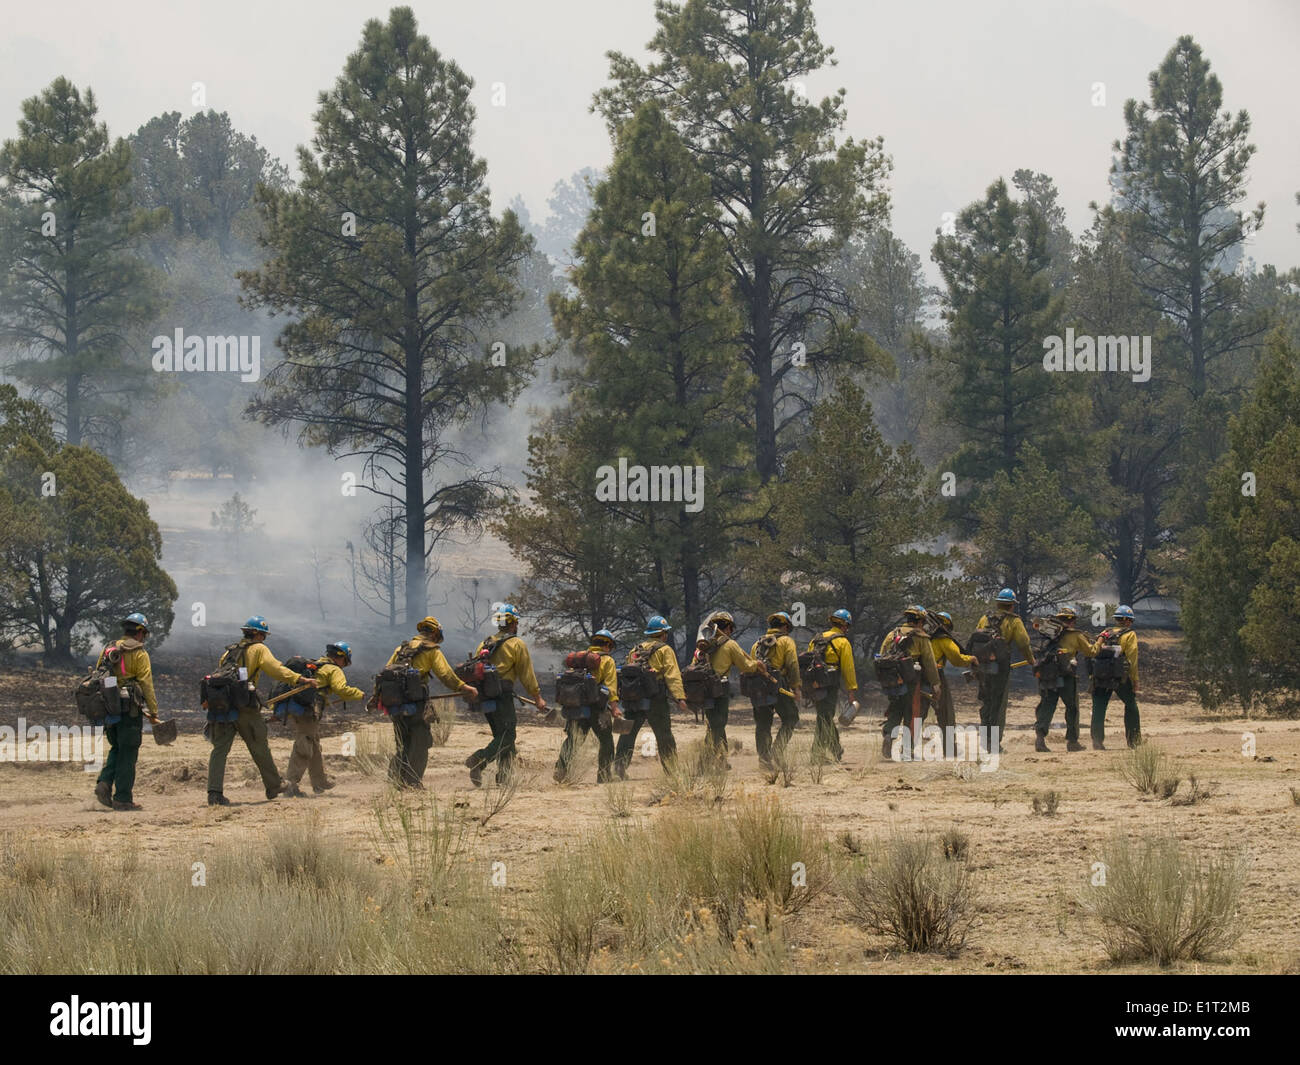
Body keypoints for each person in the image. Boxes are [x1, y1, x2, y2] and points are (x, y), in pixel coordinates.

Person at [205, 616, 313, 806]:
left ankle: (214, 794)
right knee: (259, 746)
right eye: (263, 635)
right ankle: (274, 786)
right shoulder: (259, 649)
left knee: (220, 749)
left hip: (223, 707)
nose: (264, 639)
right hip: (245, 706)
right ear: (259, 634)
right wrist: (300, 679)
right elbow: (276, 670)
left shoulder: (229, 652)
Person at [371, 617, 477, 788]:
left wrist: (376, 697)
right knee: (421, 741)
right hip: (416, 705)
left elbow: (384, 674)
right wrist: (464, 688)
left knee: (403, 743)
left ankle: (395, 780)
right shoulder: (432, 650)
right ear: (435, 633)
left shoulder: (401, 649)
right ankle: (412, 783)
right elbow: (446, 675)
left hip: (394, 705)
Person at [463, 603, 546, 786]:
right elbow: (526, 674)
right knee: (508, 736)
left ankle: (504, 779)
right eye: (516, 622)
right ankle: (479, 759)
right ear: (513, 623)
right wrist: (537, 697)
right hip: (502, 697)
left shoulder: (485, 643)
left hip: (485, 697)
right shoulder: (516, 644)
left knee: (503, 738)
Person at [93, 613, 161, 811]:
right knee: (128, 752)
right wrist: (154, 710)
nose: (144, 638)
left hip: (109, 708)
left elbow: (98, 673)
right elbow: (146, 683)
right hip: (130, 711)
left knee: (117, 747)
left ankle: (104, 783)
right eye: (144, 634)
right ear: (140, 632)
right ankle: (122, 798)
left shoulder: (109, 649)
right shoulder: (140, 653)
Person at [280, 641, 365, 796]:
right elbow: (342, 690)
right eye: (345, 662)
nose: (344, 665)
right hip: (309, 710)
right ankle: (291, 785)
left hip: (300, 708)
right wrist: (359, 694)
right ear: (342, 658)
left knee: (314, 745)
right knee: (304, 744)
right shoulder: (333, 669)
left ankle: (320, 782)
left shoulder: (318, 665)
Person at [687, 610, 764, 766]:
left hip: (704, 690)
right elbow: (746, 666)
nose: (731, 632)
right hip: (720, 689)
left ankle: (721, 760)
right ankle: (704, 763)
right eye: (731, 628)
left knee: (714, 724)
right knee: (718, 725)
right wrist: (757, 664)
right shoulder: (730, 645)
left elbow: (694, 666)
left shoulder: (702, 647)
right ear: (727, 627)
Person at [613, 615, 684, 778]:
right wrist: (680, 697)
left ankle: (619, 769)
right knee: (664, 735)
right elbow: (672, 675)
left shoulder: (635, 650)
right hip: (655, 699)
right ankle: (672, 771)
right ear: (664, 634)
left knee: (627, 733)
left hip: (633, 698)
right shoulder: (665, 650)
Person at [553, 629, 622, 783]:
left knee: (573, 740)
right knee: (606, 741)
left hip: (576, 706)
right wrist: (615, 707)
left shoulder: (579, 659)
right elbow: (611, 686)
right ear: (607, 645)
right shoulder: (607, 660)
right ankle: (604, 775)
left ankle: (561, 769)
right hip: (597, 708)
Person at [973, 589, 1035, 753]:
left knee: (986, 702)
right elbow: (1023, 642)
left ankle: (984, 740)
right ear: (1012, 606)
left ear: (998, 603)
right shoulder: (1014, 621)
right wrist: (1030, 659)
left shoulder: (984, 618)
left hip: (983, 668)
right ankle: (994, 744)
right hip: (1001, 668)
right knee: (998, 706)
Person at [877, 606, 940, 759]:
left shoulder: (892, 634)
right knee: (912, 712)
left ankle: (888, 734)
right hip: (912, 680)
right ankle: (908, 750)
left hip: (892, 679)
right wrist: (936, 684)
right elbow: (930, 662)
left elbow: (882, 654)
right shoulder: (921, 637)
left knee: (895, 708)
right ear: (919, 621)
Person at [1032, 608, 1094, 753]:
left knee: (1047, 706)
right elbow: (1091, 652)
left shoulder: (1046, 633)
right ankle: (1072, 742)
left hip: (1048, 674)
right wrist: (1100, 642)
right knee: (1072, 707)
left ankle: (1040, 739)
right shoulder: (1076, 635)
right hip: (1066, 676)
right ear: (1072, 620)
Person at [750, 611, 800, 779]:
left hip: (758, 688)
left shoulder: (756, 645)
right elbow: (793, 664)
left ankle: (764, 759)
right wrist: (796, 687)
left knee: (763, 724)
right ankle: (778, 751)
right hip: (780, 687)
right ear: (786, 627)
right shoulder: (786, 641)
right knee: (791, 717)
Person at [803, 609, 859, 762]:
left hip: (814, 685)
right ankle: (816, 754)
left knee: (824, 715)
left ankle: (835, 749)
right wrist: (851, 690)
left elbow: (807, 663)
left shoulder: (815, 639)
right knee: (824, 717)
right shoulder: (842, 642)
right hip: (830, 685)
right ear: (844, 625)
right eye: (847, 626)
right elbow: (848, 668)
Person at [1090, 605, 1142, 749]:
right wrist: (1135, 680)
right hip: (1121, 678)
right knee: (1131, 706)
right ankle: (1134, 742)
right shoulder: (1130, 635)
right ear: (1128, 621)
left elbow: (1094, 651)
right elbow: (1132, 658)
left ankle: (1097, 741)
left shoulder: (1104, 632)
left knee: (1099, 707)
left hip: (1100, 676)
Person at [929, 611, 976, 757]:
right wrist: (971, 659)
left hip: (915, 677)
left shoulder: (923, 637)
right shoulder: (943, 639)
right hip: (935, 676)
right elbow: (957, 659)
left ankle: (907, 747)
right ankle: (950, 748)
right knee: (946, 713)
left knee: (916, 713)